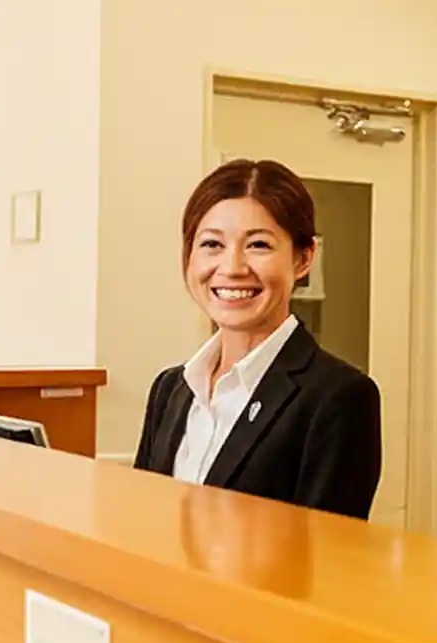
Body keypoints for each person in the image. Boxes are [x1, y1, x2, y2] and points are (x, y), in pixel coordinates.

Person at [133, 159, 382, 520]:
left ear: (303, 258)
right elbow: (144, 525)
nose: (232, 267)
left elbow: (328, 559)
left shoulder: (338, 397)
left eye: (258, 245)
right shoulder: (171, 388)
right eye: (212, 244)